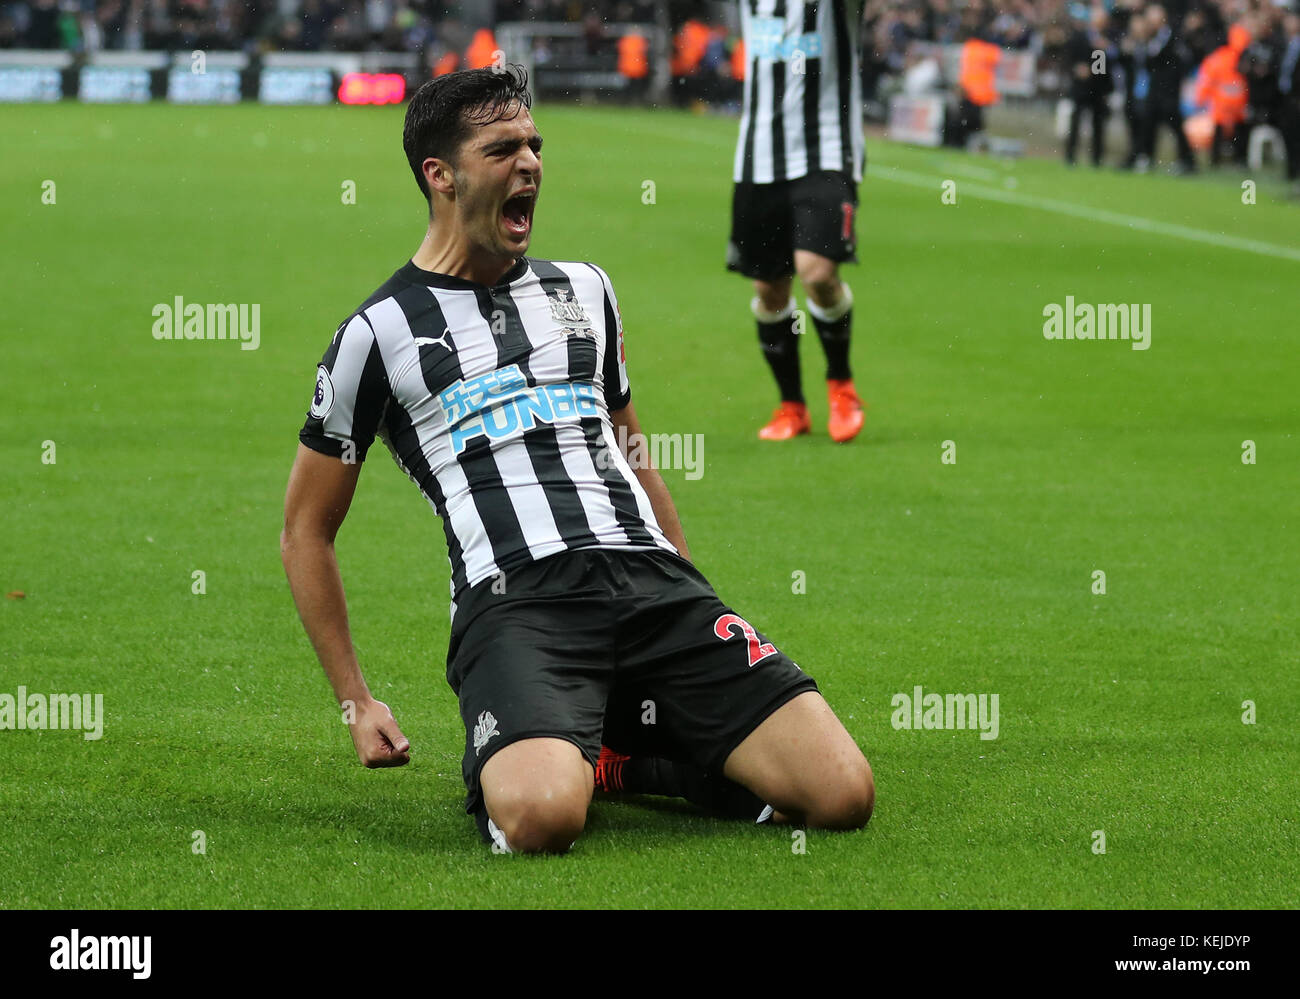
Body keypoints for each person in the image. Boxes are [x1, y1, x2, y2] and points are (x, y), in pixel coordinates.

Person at [280, 66, 875, 854]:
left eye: (534, 145)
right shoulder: (377, 332)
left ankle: (622, 758)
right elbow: (305, 531)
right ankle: (575, 759)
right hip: (515, 603)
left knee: (842, 793)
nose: (529, 163)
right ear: (441, 175)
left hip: (649, 582)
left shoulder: (586, 289)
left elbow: (632, 449)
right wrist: (357, 702)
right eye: (502, 149)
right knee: (541, 818)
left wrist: (689, 584)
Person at [727, 0, 867, 443]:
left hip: (825, 152)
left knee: (817, 272)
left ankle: (841, 386)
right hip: (758, 158)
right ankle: (792, 406)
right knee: (769, 288)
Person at [1065, 7, 1116, 167]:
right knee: (1076, 122)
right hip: (1081, 88)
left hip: (1098, 90)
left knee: (1098, 125)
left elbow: (1101, 69)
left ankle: (1096, 158)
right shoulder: (1079, 37)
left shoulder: (1106, 40)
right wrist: (1077, 69)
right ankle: (1070, 155)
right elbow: (1068, 59)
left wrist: (1102, 52)